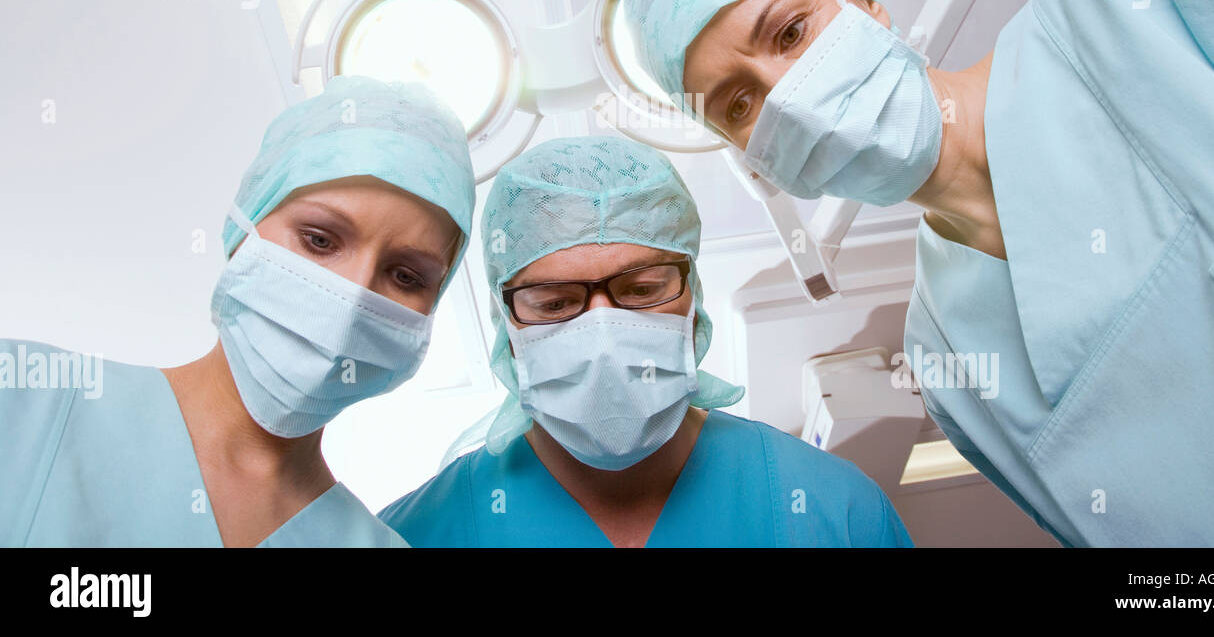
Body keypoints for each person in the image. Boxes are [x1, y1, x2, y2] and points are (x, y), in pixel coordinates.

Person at [620, 0, 1214, 546]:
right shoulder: (948, 362)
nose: (788, 98)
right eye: (740, 105)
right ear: (756, 164)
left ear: (863, 3)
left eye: (791, 32)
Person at [0, 75, 476, 547]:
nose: (351, 302)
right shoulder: (23, 401)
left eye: (406, 276)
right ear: (241, 229)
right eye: (319, 240)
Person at [381, 135, 912, 547]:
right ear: (508, 324)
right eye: (555, 302)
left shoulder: (833, 508)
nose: (603, 334)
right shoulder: (414, 535)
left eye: (640, 289)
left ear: (692, 295)